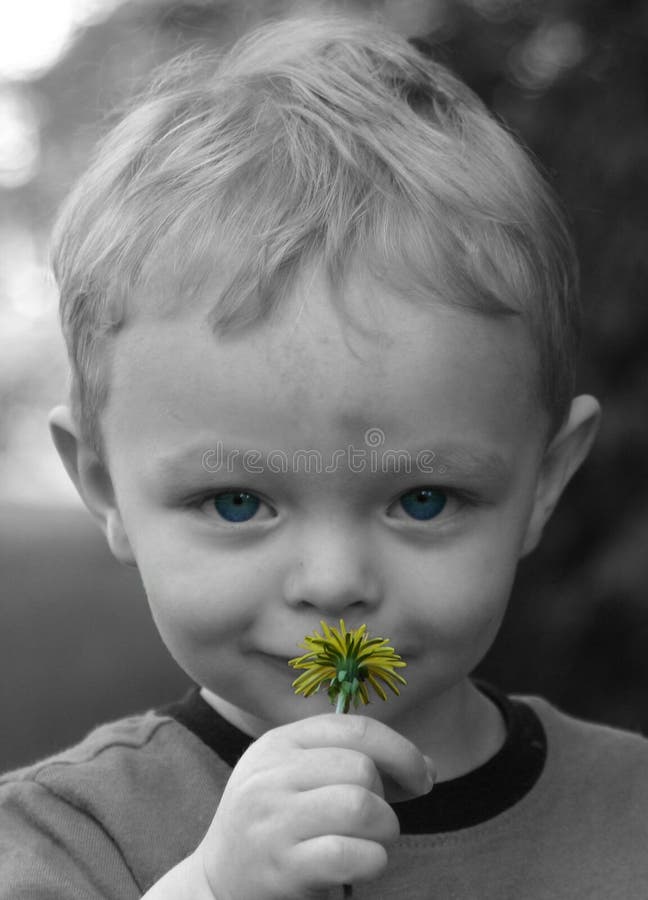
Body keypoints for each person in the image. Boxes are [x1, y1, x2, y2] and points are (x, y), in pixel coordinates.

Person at [1, 11, 646, 899]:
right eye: (237, 502)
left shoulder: (629, 817)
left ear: (544, 481)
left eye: (423, 499)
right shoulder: (68, 837)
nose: (335, 583)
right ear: (104, 484)